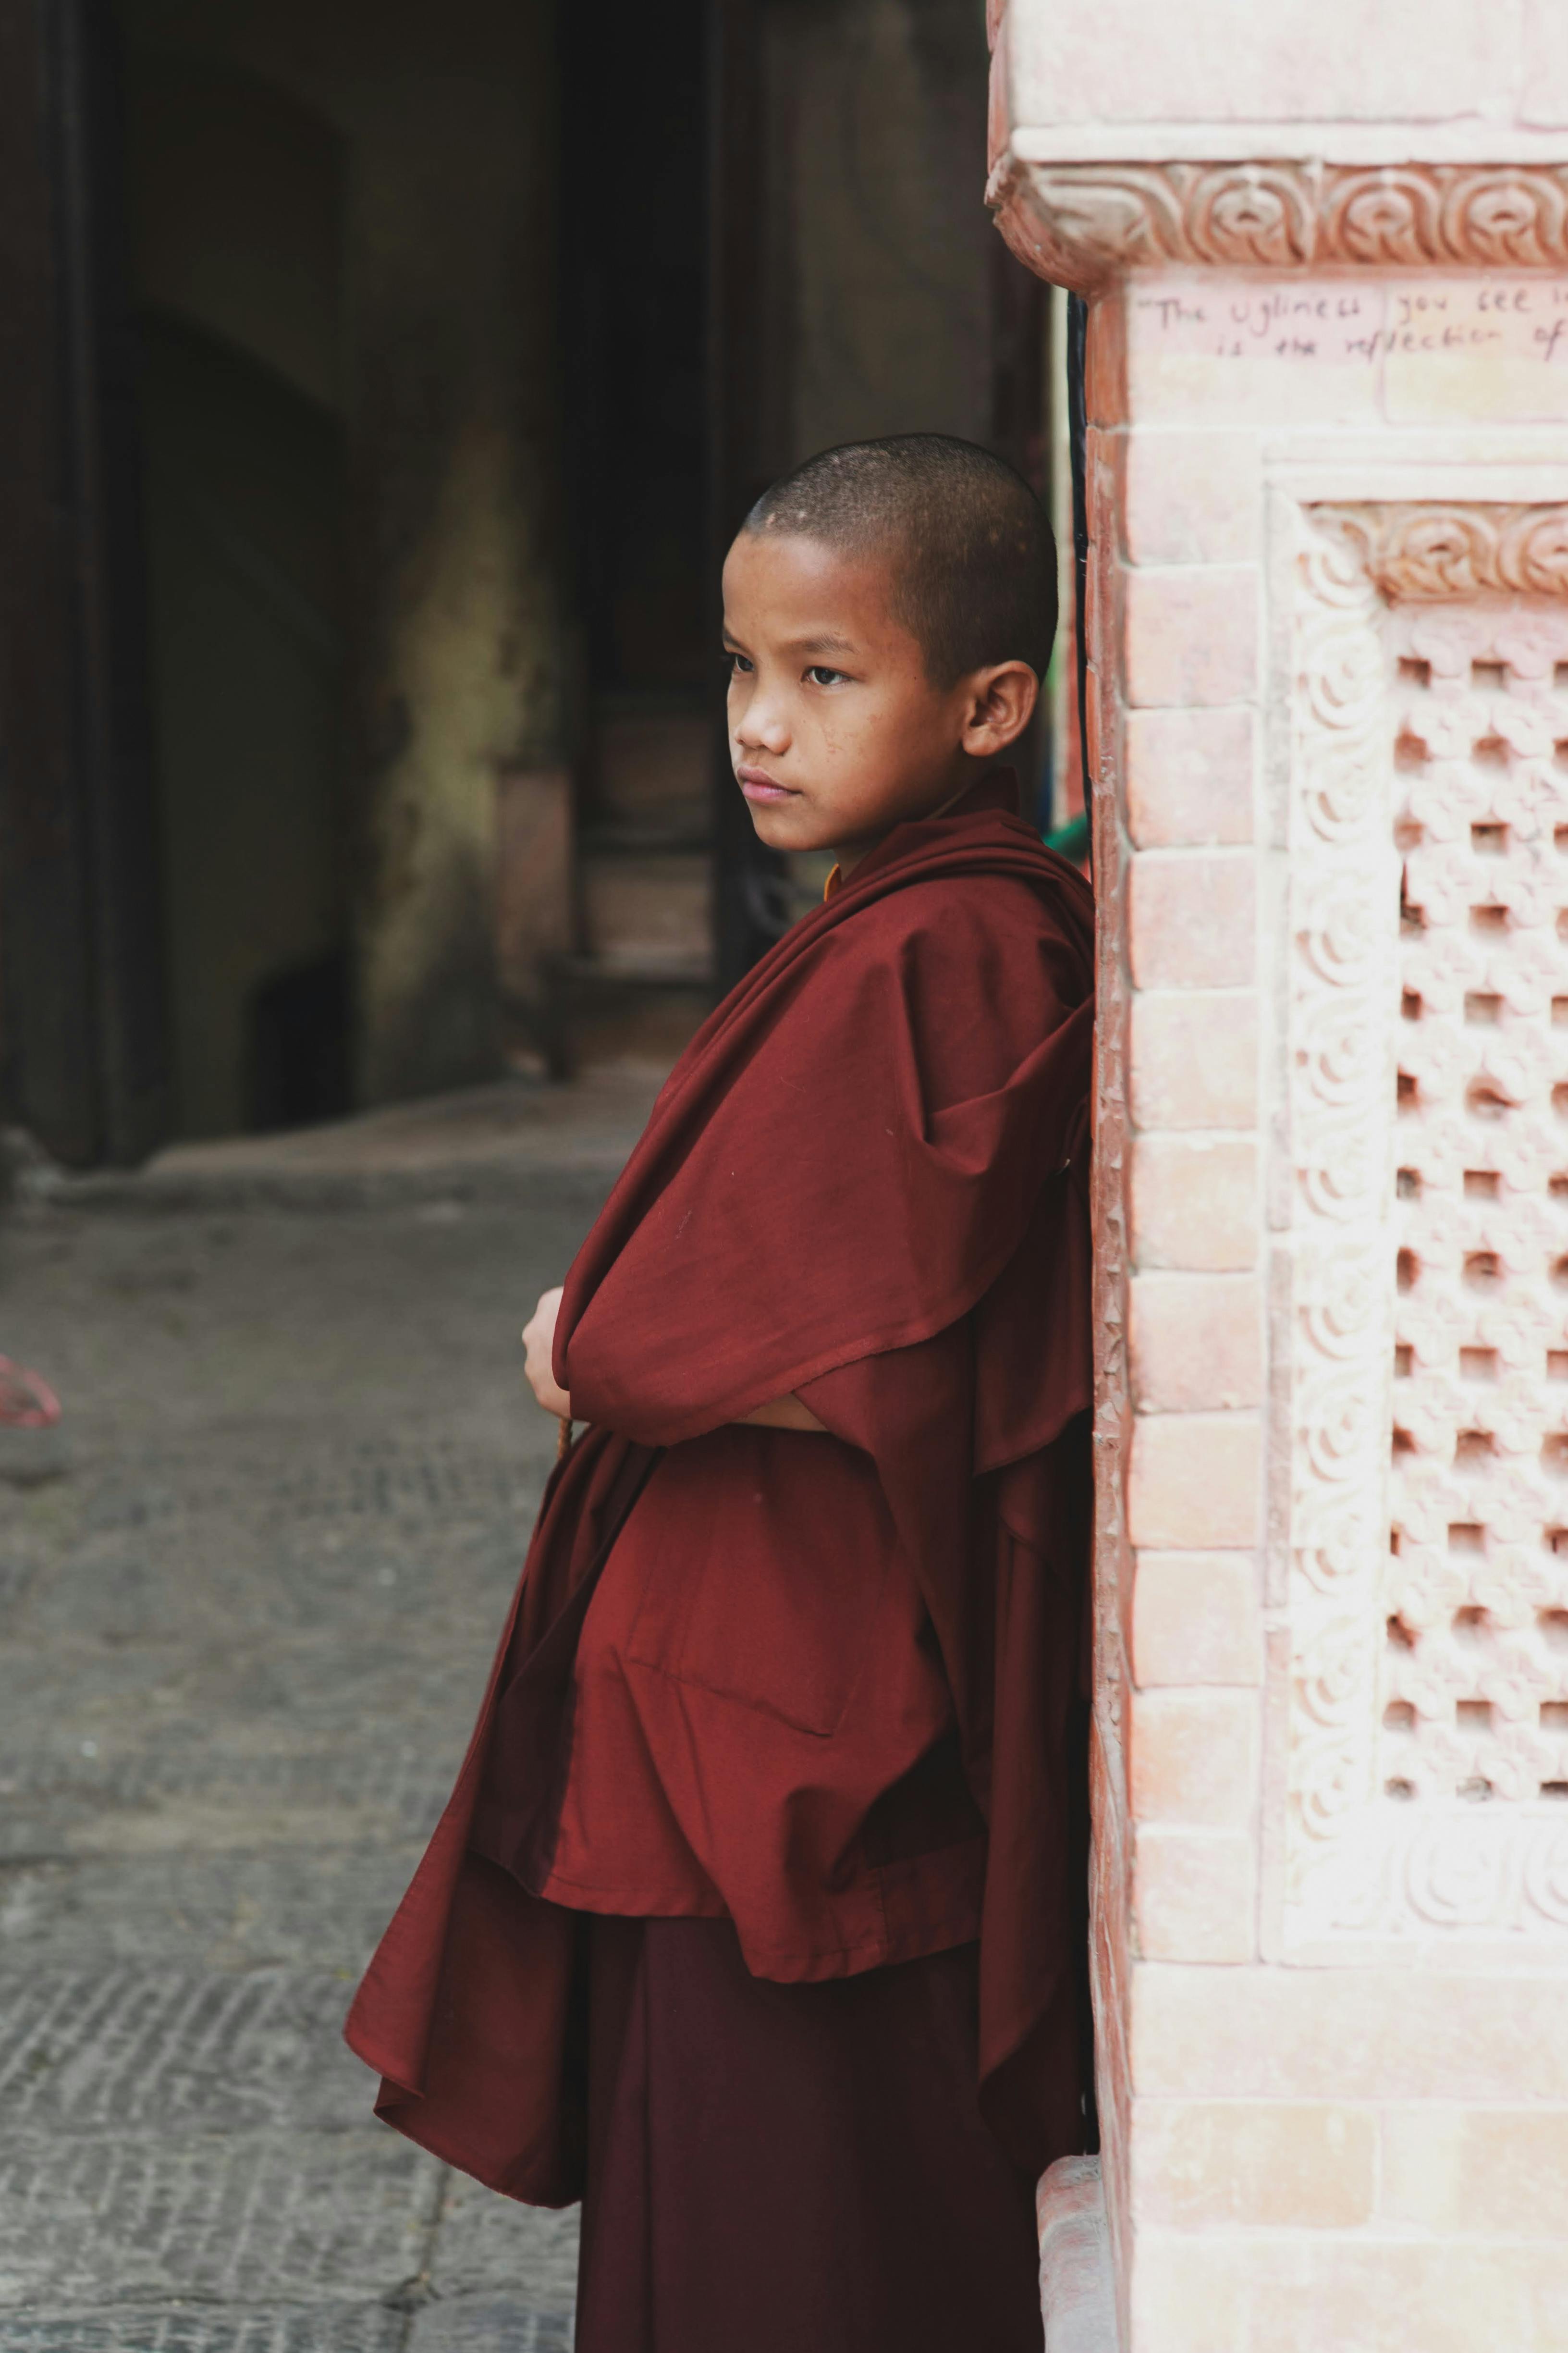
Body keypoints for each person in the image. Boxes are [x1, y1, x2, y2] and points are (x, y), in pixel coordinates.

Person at [345, 434, 1097, 2352]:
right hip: (727, 1703)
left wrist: (603, 1343)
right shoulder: (894, 921)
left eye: (826, 676)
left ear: (994, 702)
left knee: (799, 2243)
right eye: (746, 668)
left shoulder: (957, 944)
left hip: (800, 1738)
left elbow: (859, 1334)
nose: (759, 723)